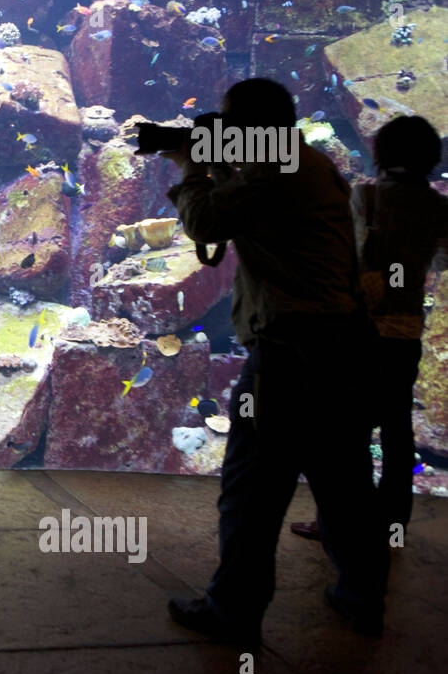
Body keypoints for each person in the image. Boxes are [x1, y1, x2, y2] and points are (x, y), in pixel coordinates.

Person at [159, 78, 389, 645]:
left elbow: (207, 223)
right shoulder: (307, 161)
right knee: (345, 482)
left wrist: (192, 164)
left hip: (291, 353)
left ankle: (232, 613)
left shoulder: (275, 170)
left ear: (252, 128)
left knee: (252, 487)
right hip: (342, 345)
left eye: (230, 120)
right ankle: (363, 599)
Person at [290, 116, 448, 544]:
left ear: (381, 152)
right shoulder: (438, 205)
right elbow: (440, 261)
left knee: (343, 428)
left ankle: (335, 524)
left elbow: (347, 256)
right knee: (398, 431)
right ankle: (391, 527)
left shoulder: (366, 196)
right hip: (407, 331)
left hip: (358, 330)